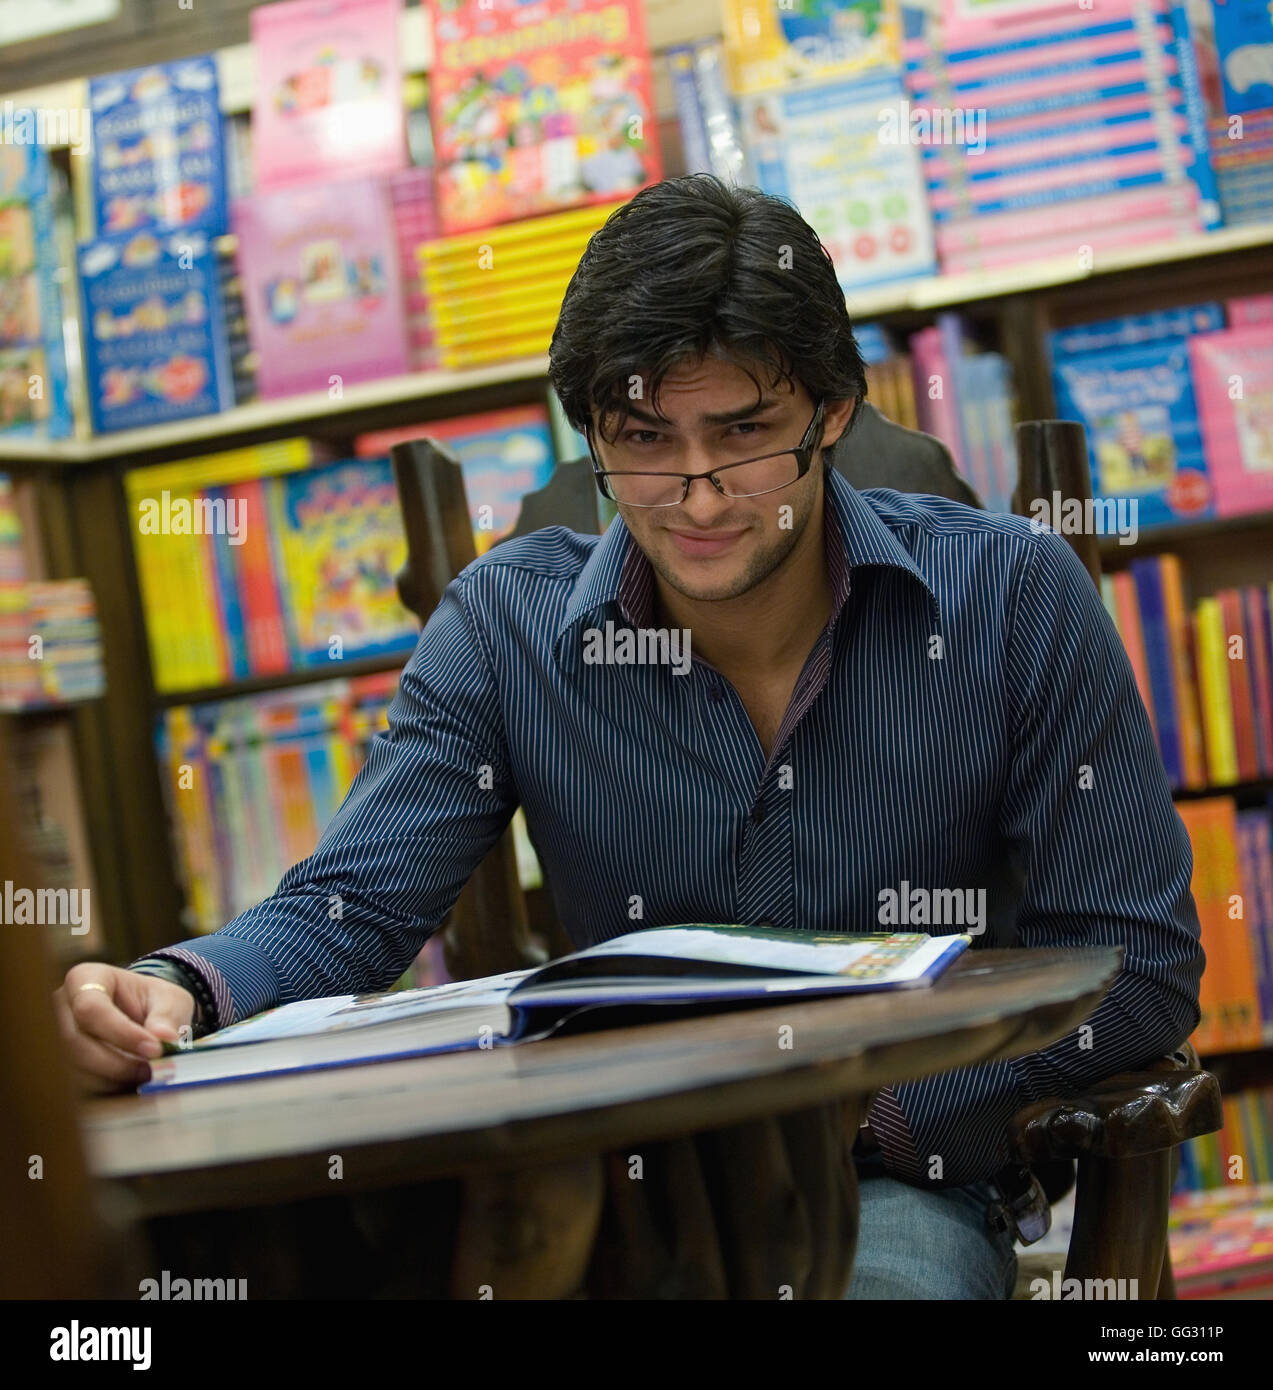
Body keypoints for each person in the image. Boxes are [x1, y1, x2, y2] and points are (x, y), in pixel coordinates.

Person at [54, 174, 1204, 1299]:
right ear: (592, 432)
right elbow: (348, 908)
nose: (697, 497)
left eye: (744, 432)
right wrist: (175, 990)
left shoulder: (1011, 597)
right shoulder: (506, 623)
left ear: (834, 411)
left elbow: (1137, 966)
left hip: (892, 1187)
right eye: (644, 439)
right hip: (600, 1187)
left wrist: (898, 1113)